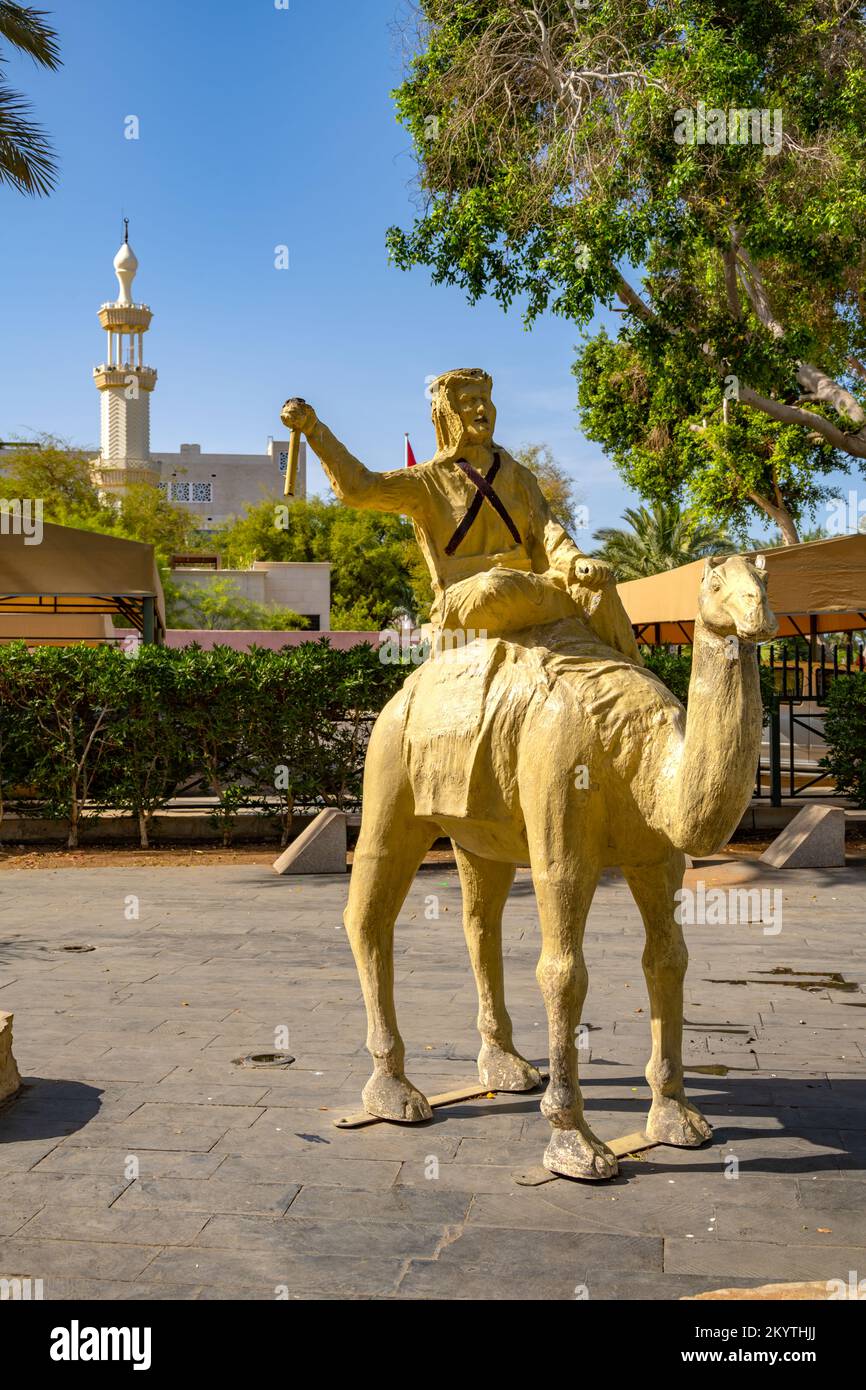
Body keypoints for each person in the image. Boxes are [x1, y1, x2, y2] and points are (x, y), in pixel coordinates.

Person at [281, 367, 641, 661]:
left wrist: (576, 561)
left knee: (599, 586)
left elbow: (549, 532)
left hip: (530, 588)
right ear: (448, 413)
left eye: (485, 399)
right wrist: (314, 430)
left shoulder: (517, 474)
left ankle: (634, 669)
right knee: (495, 585)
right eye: (469, 401)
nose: (481, 408)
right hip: (467, 598)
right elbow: (360, 488)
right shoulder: (426, 480)